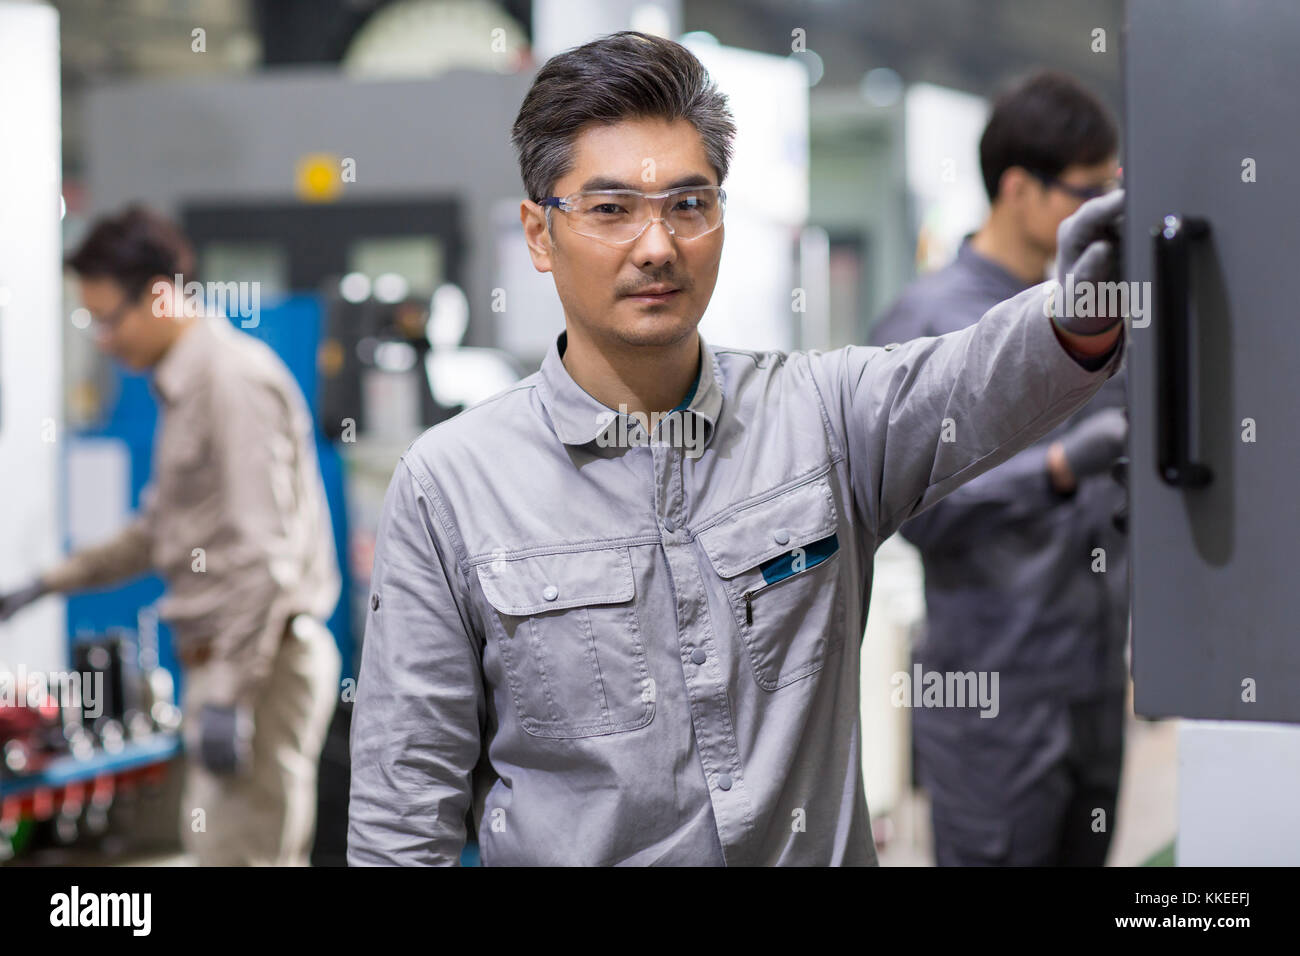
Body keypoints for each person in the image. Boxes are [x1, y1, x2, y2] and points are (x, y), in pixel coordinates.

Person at [346, 32, 1126, 866]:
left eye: (689, 204)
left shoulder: (820, 418)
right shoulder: (452, 486)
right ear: (540, 234)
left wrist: (1077, 311)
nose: (658, 246)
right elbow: (404, 806)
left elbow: (968, 379)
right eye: (611, 209)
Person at [0, 206, 341, 866]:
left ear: (158, 295)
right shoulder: (183, 387)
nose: (101, 338)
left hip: (259, 662)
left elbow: (262, 556)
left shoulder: (231, 382)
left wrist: (233, 700)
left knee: (237, 857)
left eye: (107, 318)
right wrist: (46, 583)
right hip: (234, 664)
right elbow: (157, 532)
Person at [868, 71, 1129, 865]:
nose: (1101, 213)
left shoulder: (1100, 305)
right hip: (992, 699)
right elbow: (910, 505)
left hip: (1092, 683)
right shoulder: (931, 321)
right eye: (1086, 192)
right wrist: (1054, 467)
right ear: (1019, 188)